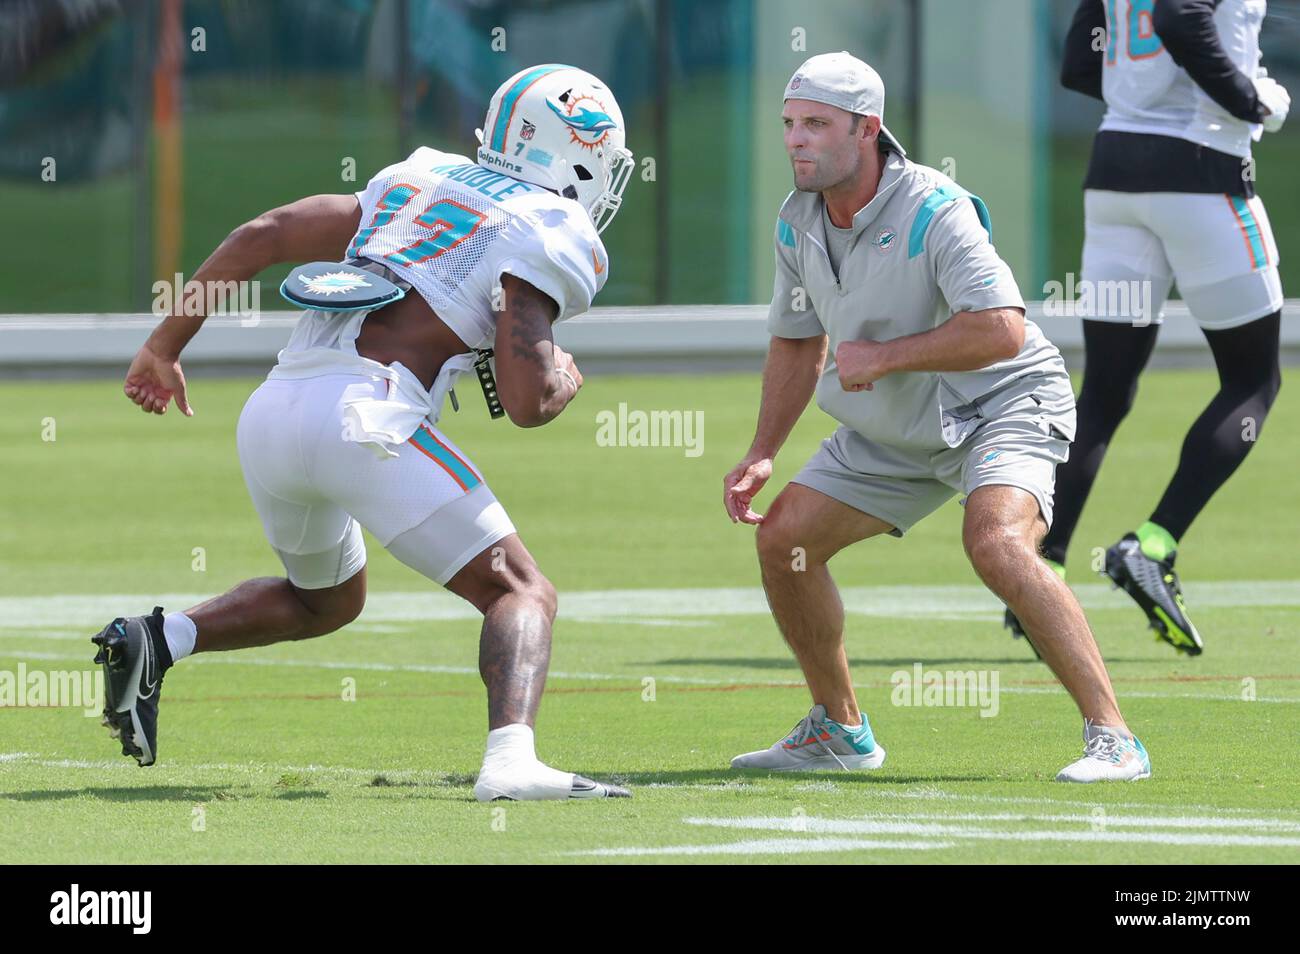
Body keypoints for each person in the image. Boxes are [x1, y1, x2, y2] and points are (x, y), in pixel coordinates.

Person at [92, 64, 635, 801]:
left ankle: (160, 639)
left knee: (327, 600)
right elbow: (527, 400)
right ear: (577, 156)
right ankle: (511, 762)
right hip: (368, 416)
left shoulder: (424, 175)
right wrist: (563, 380)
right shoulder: (550, 225)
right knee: (521, 590)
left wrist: (164, 345)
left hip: (276, 410)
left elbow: (267, 233)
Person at [723, 51, 1150, 782]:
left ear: (867, 130)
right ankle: (840, 731)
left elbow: (1003, 328)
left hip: (1003, 403)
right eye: (790, 124)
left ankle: (1115, 739)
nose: (796, 140)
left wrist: (884, 358)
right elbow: (797, 344)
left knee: (997, 544)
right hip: (897, 426)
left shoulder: (935, 207)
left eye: (817, 125)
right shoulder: (795, 222)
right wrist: (764, 449)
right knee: (784, 542)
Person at [1019, 0, 1289, 655]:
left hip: (1115, 174)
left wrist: (1136, 99)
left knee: (1105, 392)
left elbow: (1081, 61)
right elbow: (1176, 15)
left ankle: (1040, 568)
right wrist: (1251, 101)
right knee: (1254, 379)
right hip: (1203, 174)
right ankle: (1153, 544)